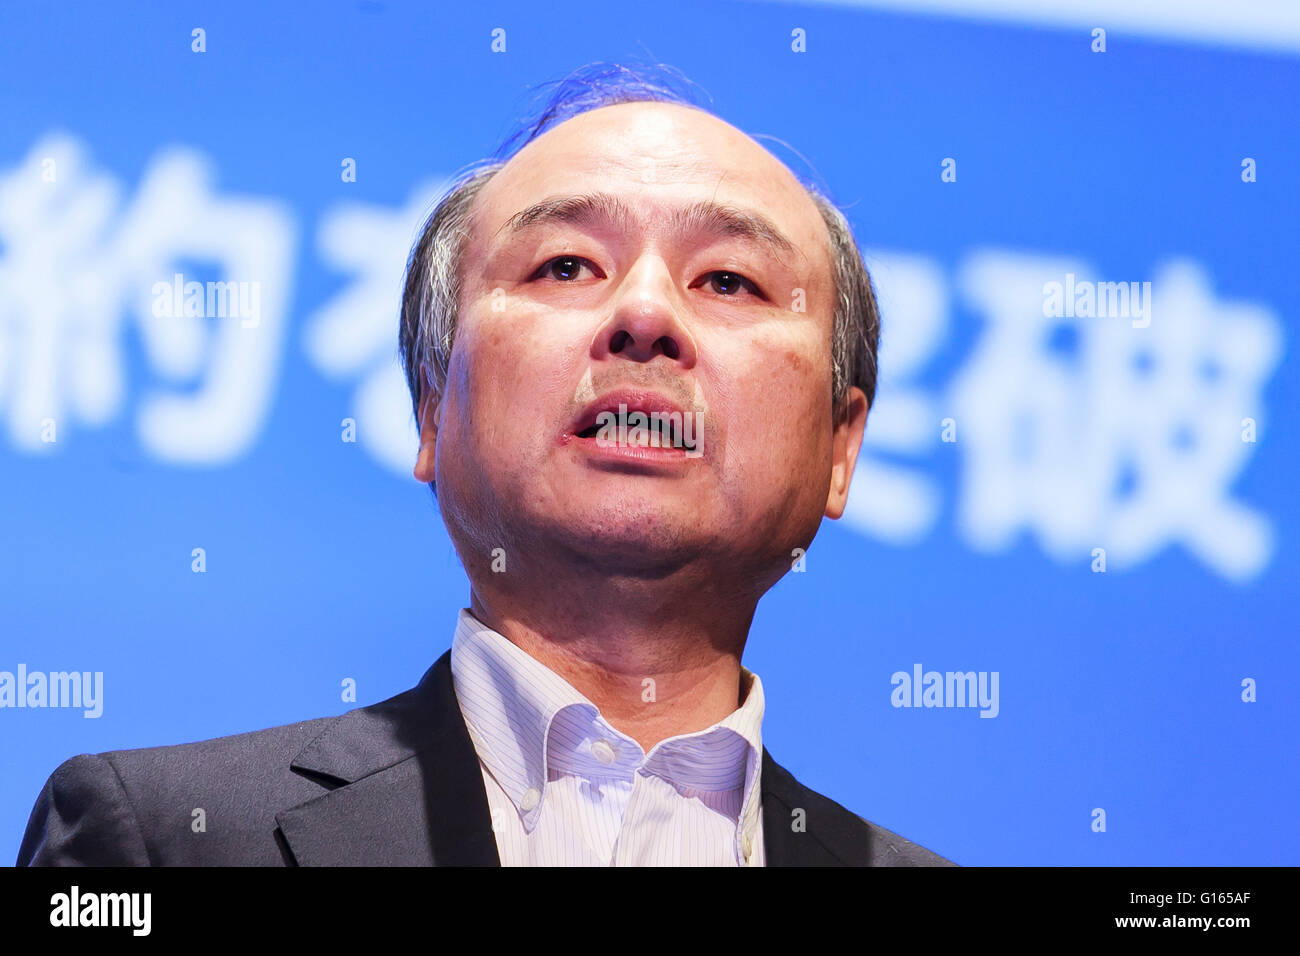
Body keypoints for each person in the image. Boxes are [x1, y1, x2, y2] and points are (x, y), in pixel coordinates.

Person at [18, 63, 953, 867]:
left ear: (841, 449)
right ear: (432, 408)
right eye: (565, 266)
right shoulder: (167, 839)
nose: (646, 315)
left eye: (728, 281)